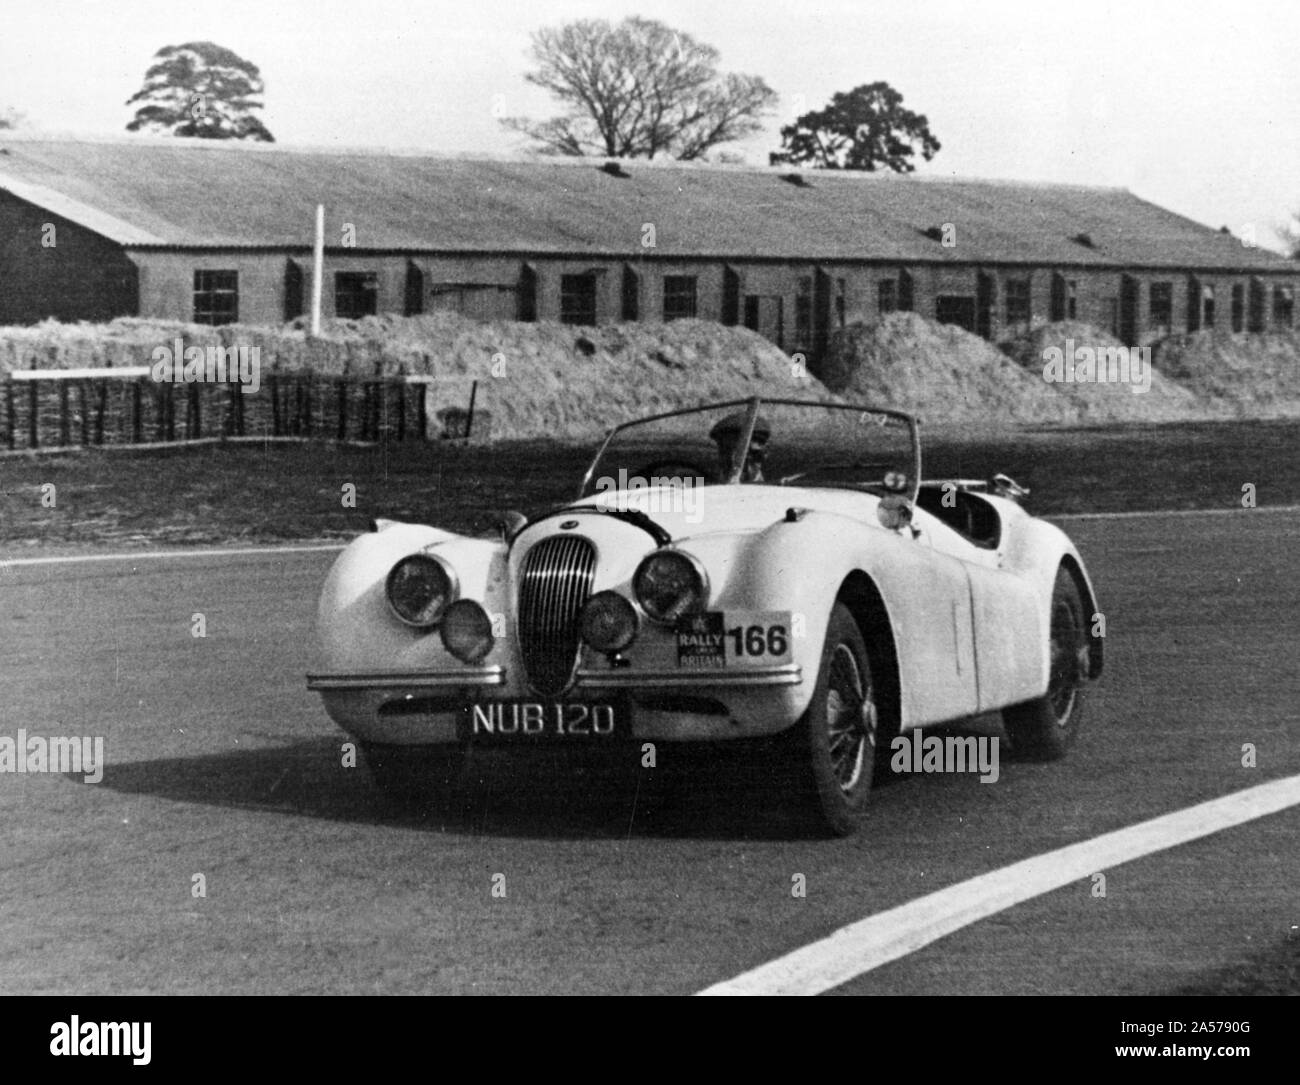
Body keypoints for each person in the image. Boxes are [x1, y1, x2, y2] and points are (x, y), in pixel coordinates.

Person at [709, 411, 770, 483]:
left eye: (748, 453)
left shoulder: (775, 490)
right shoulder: (701, 484)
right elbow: (696, 490)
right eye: (726, 451)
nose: (733, 459)